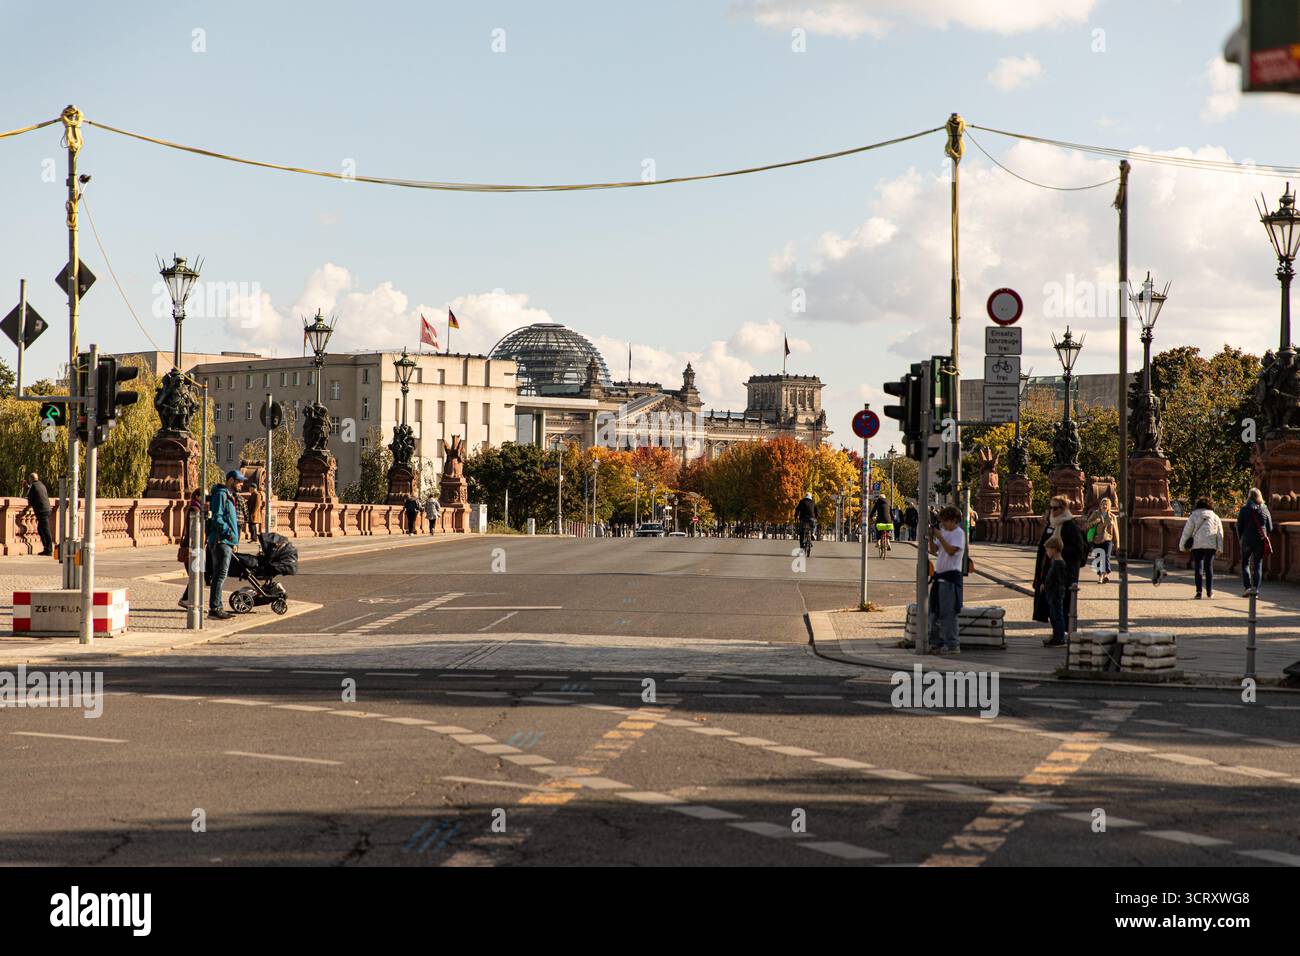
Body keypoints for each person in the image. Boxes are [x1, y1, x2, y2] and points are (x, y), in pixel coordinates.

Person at [1032, 496, 1087, 627]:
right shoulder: (1051, 525)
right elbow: (1041, 552)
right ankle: (1057, 634)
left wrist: (1059, 550)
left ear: (1063, 509)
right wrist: (1037, 577)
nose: (1052, 511)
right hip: (1047, 572)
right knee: (1050, 606)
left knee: (1060, 607)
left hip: (1063, 573)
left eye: (1055, 508)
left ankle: (1060, 636)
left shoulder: (1070, 526)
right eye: (1050, 508)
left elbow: (1079, 551)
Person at [206, 469, 244, 620]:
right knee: (220, 575)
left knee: (220, 574)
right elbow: (217, 517)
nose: (241, 484)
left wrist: (233, 540)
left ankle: (217, 606)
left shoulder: (229, 495)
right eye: (239, 481)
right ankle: (215, 608)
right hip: (221, 540)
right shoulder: (222, 494)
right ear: (231, 480)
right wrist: (228, 533)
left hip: (226, 541)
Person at [927, 505, 965, 655]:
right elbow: (933, 550)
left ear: (953, 520)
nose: (942, 524)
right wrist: (931, 537)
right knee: (934, 613)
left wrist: (940, 536)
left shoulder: (958, 534)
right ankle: (935, 643)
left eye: (944, 522)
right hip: (939, 577)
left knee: (948, 614)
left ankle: (952, 644)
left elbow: (950, 551)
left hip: (950, 579)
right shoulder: (944, 532)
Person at [1180, 497, 1223, 600]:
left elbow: (1187, 532)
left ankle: (1199, 592)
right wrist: (1220, 548)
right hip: (1210, 545)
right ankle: (1209, 592)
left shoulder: (1193, 516)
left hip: (1197, 545)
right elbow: (1220, 534)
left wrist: (1182, 546)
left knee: (1198, 568)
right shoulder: (1215, 517)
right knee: (1209, 568)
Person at [1236, 487, 1273, 597]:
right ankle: (1255, 590)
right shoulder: (1265, 509)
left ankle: (1247, 588)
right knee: (1258, 564)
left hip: (1247, 540)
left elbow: (1239, 526)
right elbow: (1270, 527)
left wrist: (1240, 538)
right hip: (1260, 540)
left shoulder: (1244, 509)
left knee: (1245, 563)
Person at [1039, 537, 1070, 647]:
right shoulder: (1055, 562)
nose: (1047, 552)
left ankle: (1059, 637)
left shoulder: (1059, 564)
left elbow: (1060, 582)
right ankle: (1056, 635)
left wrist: (1051, 589)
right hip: (1052, 594)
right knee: (1053, 616)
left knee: (1057, 616)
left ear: (1054, 549)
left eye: (1048, 550)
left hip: (1056, 594)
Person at [176, 490, 203, 608]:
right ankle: (187, 600)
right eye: (204, 496)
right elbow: (194, 530)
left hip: (195, 546)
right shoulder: (194, 509)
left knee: (197, 576)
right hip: (192, 547)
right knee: (195, 575)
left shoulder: (197, 508)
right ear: (197, 496)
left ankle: (190, 600)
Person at [1085, 498, 1120, 583]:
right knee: (1099, 557)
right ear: (1100, 505)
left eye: (1106, 504)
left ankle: (1104, 575)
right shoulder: (1095, 514)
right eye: (1103, 504)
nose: (1104, 506)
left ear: (1109, 506)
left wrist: (1117, 544)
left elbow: (1116, 531)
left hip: (1108, 539)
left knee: (1106, 556)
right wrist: (1095, 522)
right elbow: (1087, 525)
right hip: (1097, 539)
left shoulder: (1112, 517)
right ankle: (1101, 575)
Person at [22, 472, 54, 557]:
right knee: (41, 529)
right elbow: (35, 492)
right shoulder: (41, 485)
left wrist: (26, 488)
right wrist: (28, 487)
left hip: (42, 511)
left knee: (45, 530)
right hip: (47, 509)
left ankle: (49, 550)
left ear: (30, 479)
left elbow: (30, 497)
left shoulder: (34, 486)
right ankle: (46, 548)